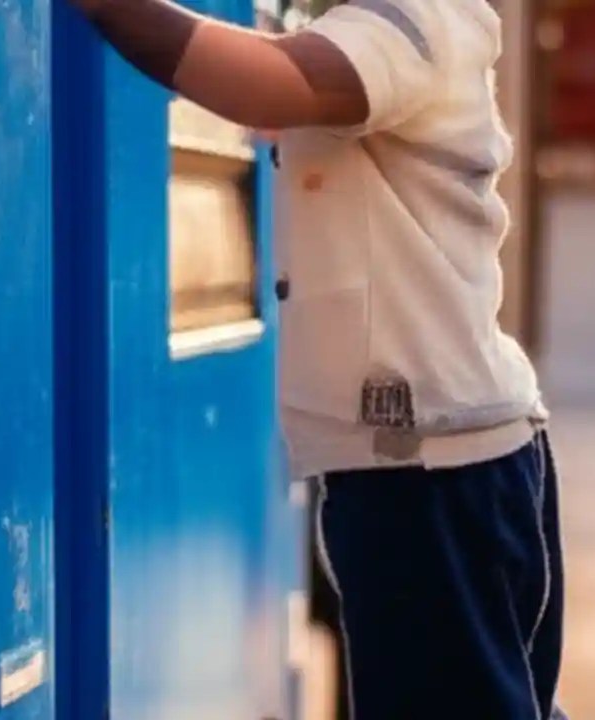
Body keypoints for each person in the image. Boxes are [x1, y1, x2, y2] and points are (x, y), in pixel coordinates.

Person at [69, 1, 567, 718]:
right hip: (438, 464)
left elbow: (269, 84)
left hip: (435, 473)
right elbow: (276, 87)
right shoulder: (375, 36)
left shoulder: (415, 18)